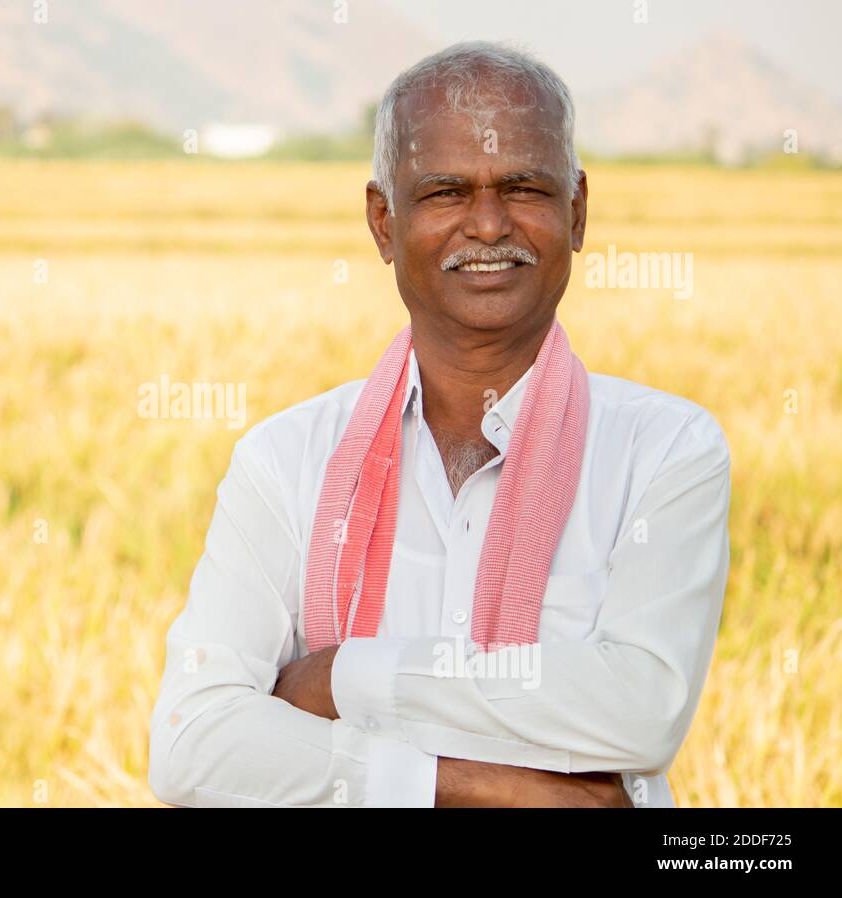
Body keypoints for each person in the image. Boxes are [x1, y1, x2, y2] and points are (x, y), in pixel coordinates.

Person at [147, 41, 731, 807]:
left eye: (524, 187)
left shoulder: (665, 451)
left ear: (577, 211)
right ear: (383, 222)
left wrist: (341, 677)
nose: (488, 224)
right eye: (446, 192)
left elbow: (640, 708)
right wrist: (481, 789)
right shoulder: (285, 460)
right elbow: (192, 745)